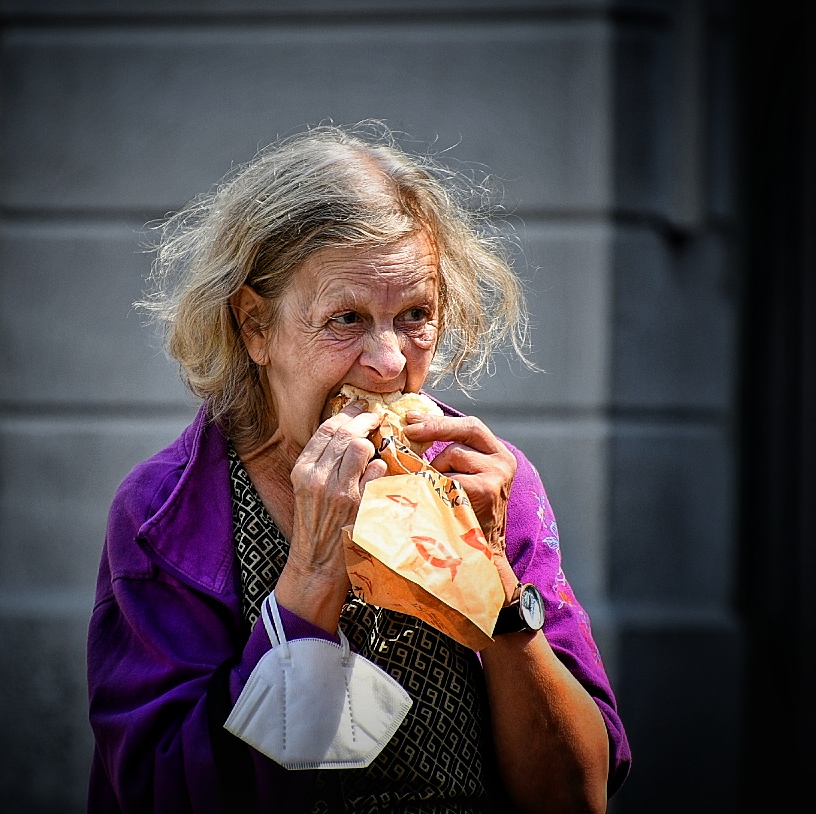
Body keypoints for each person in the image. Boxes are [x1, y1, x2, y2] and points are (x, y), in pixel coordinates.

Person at [86, 121, 631, 814]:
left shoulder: (484, 483)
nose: (391, 362)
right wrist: (312, 575)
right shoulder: (164, 515)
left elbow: (578, 797)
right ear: (255, 327)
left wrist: (492, 585)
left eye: (415, 314)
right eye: (346, 318)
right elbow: (167, 797)